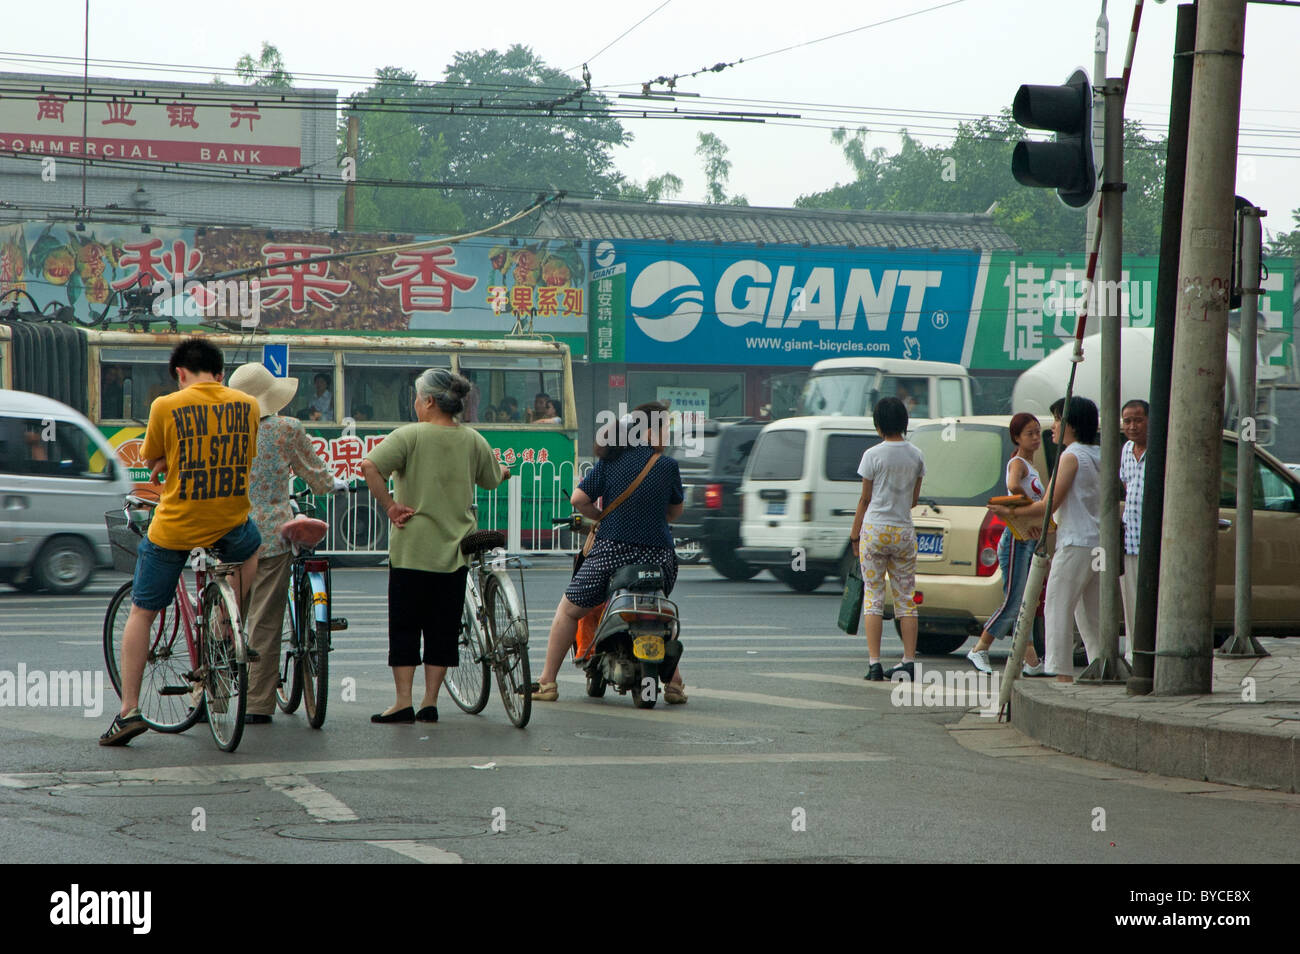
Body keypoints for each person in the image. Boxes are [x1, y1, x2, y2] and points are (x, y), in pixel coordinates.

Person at [100, 339, 262, 746]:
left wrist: (166, 463)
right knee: (252, 545)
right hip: (230, 523)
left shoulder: (165, 406)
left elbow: (154, 458)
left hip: (176, 527)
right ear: (220, 374)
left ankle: (129, 711)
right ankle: (229, 626)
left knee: (142, 611)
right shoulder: (249, 405)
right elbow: (243, 456)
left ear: (180, 373)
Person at [359, 369, 509, 725]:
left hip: (411, 549)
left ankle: (402, 702)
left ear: (428, 401)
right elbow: (491, 479)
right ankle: (430, 702)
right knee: (443, 629)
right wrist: (503, 471)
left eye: (416, 397)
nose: (415, 404)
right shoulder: (473, 440)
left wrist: (391, 506)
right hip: (454, 552)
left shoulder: (409, 435)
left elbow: (369, 466)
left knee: (405, 626)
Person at [530, 401, 687, 703]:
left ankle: (547, 682)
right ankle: (675, 684)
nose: (669, 435)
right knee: (654, 610)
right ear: (650, 431)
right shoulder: (667, 466)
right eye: (666, 428)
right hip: (659, 558)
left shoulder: (613, 461)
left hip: (611, 552)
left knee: (568, 611)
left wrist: (602, 517)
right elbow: (675, 512)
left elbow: (578, 499)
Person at [228, 363, 343, 725]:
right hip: (271, 536)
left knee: (222, 615)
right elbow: (316, 475)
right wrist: (331, 484)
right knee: (263, 619)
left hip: (226, 531)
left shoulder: (223, 428)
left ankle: (207, 694)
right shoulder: (285, 429)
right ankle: (258, 704)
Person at [990, 396, 1101, 682]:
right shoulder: (1097, 454)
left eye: (1056, 420)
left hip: (1076, 542)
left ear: (1071, 424)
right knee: (1089, 614)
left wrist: (1008, 510)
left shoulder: (1071, 456)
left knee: (1056, 605)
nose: (1052, 427)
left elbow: (1048, 504)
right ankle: (1100, 665)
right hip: (1097, 543)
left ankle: (1061, 672)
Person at [966, 413, 1048, 676]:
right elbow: (1013, 486)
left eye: (1037, 432)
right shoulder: (1018, 463)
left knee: (1024, 601)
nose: (1035, 438)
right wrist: (1029, 506)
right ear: (1017, 437)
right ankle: (980, 648)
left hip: (1027, 540)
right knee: (1014, 601)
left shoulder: (1031, 466)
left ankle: (1031, 660)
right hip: (1015, 540)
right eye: (1029, 433)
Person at [851, 396, 926, 681]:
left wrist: (855, 534)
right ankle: (908, 661)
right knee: (905, 599)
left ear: (879, 423)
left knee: (873, 597)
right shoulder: (917, 455)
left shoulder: (872, 455)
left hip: (874, 529)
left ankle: (874, 664)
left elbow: (865, 498)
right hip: (904, 531)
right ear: (904, 423)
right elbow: (913, 499)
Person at [1118, 398, 1149, 664]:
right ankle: (1131, 655)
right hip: (1129, 540)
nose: (1132, 425)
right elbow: (1127, 490)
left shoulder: (1161, 449)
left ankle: (1150, 653)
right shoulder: (1126, 449)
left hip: (1153, 542)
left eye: (1138, 420)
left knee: (1152, 603)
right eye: (1127, 420)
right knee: (1130, 604)